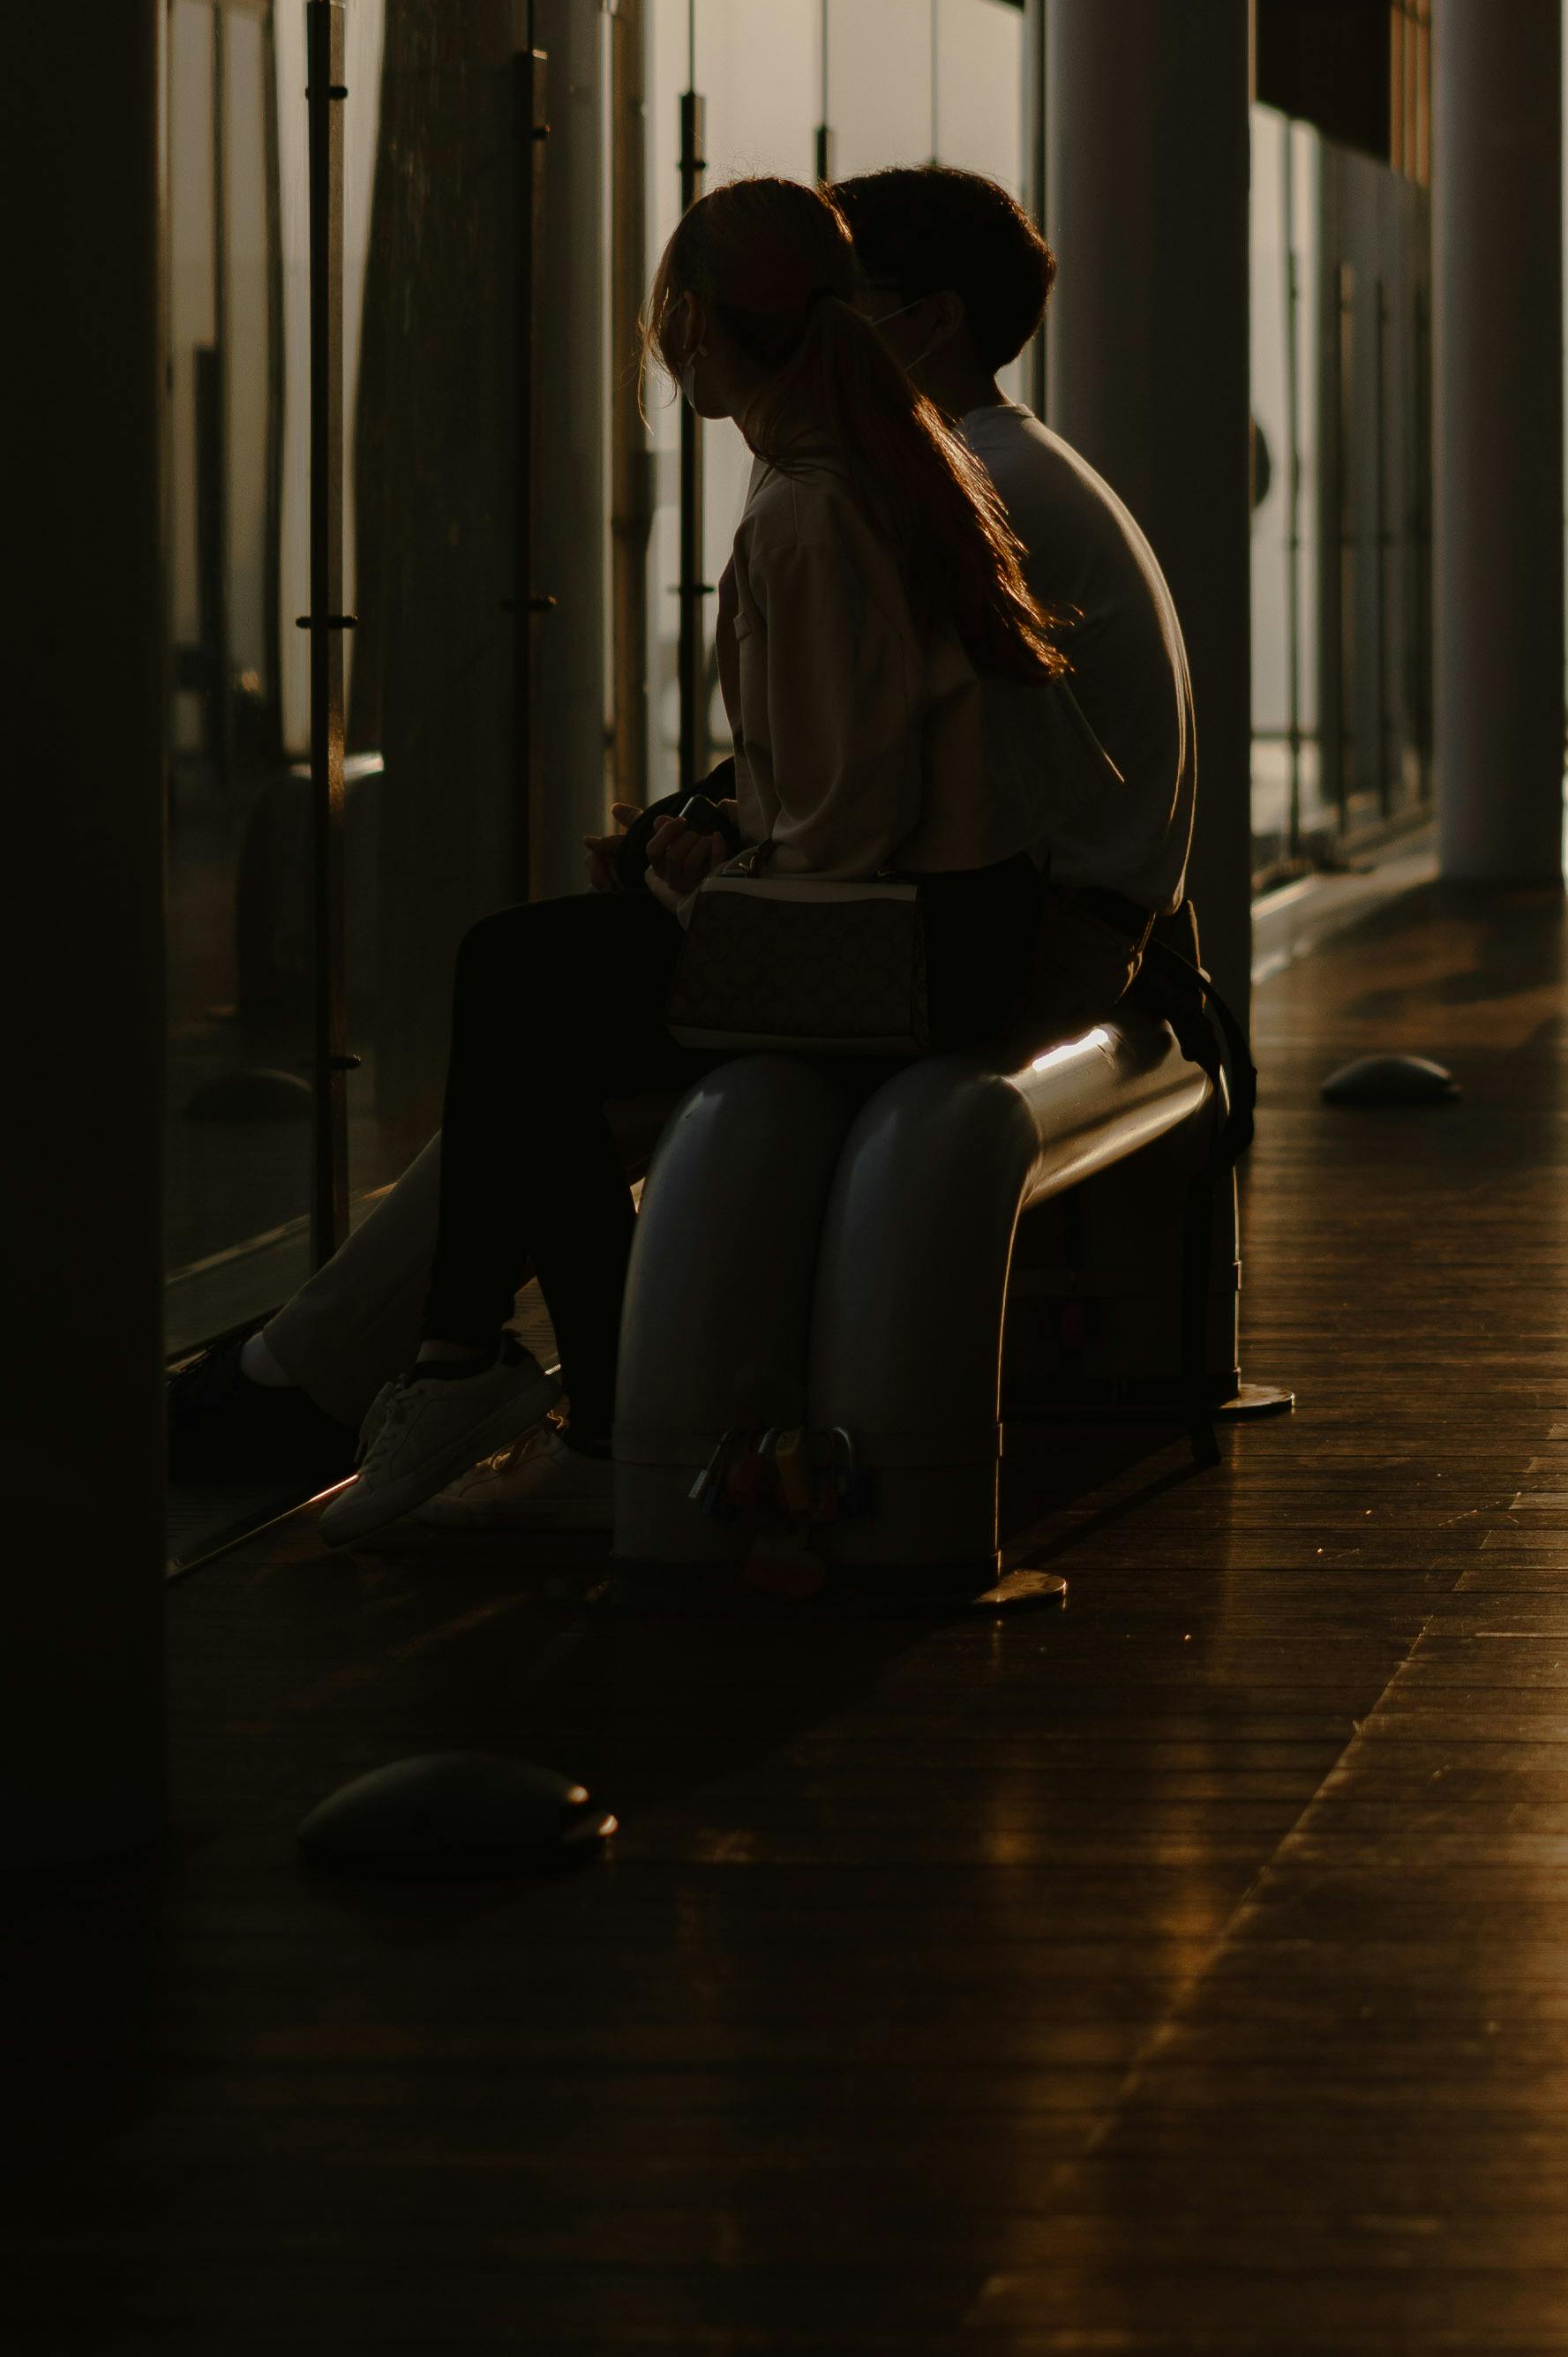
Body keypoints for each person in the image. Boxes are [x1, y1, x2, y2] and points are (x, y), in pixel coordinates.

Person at [308, 171, 1090, 1539]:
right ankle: (498, 1368)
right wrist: (721, 829)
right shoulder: (889, 463)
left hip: (909, 959)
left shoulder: (806, 506)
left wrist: (693, 883)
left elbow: (843, 827)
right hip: (963, 926)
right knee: (527, 996)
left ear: (695, 333)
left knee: (514, 980)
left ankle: (528, 1380)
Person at [833, 158, 1197, 988]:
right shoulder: (1013, 463)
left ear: (934, 320)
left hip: (1036, 939)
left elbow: (874, 752)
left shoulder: (977, 492)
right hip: (1080, 920)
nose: (823, 332)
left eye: (847, 299)